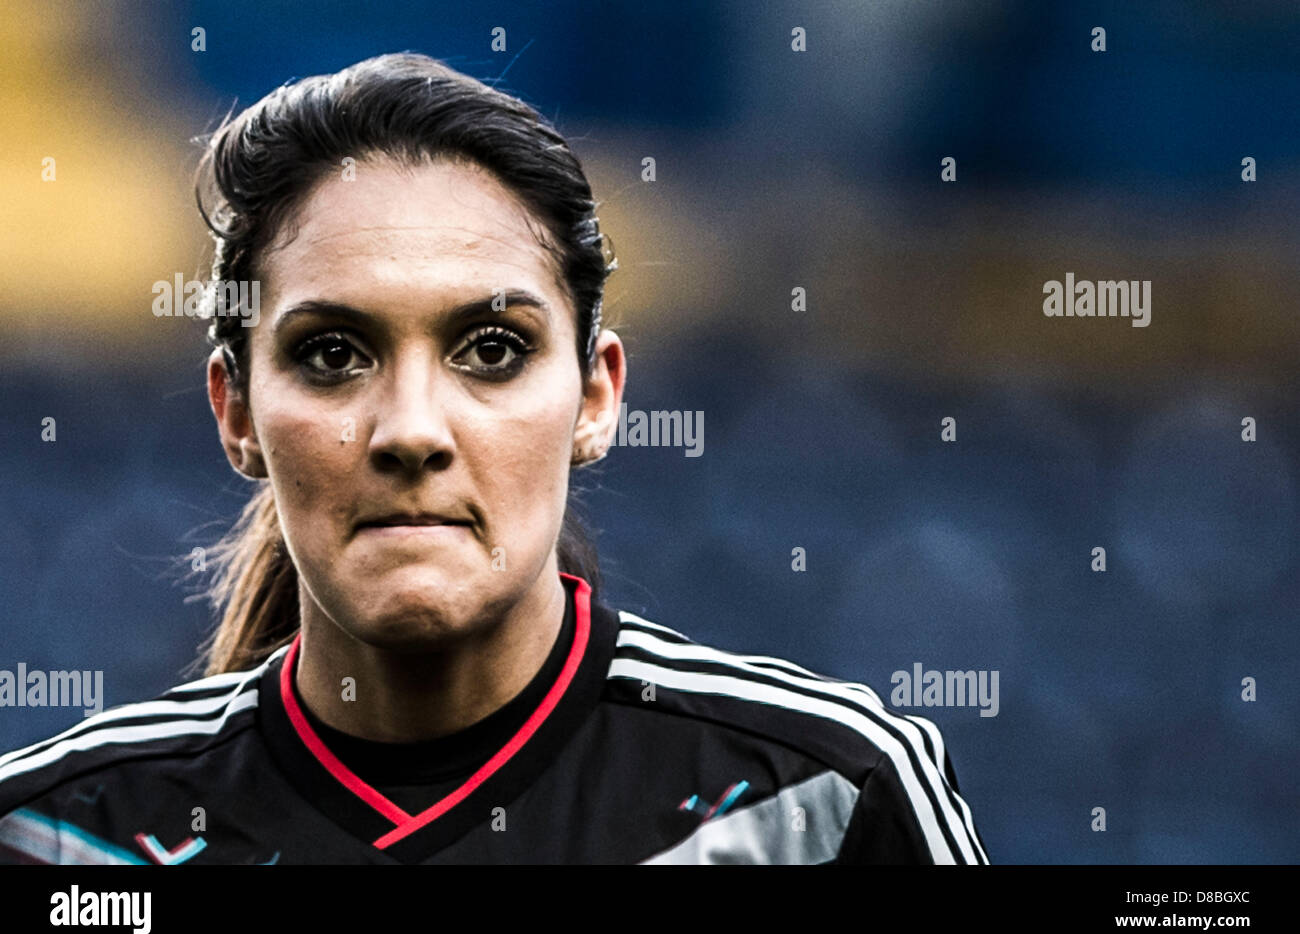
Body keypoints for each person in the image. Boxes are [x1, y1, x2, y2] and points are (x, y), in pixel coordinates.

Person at [0, 53, 988, 864]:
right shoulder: (55, 840)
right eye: (332, 355)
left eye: (492, 350)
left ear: (597, 397)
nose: (412, 430)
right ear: (238, 413)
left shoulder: (824, 802)